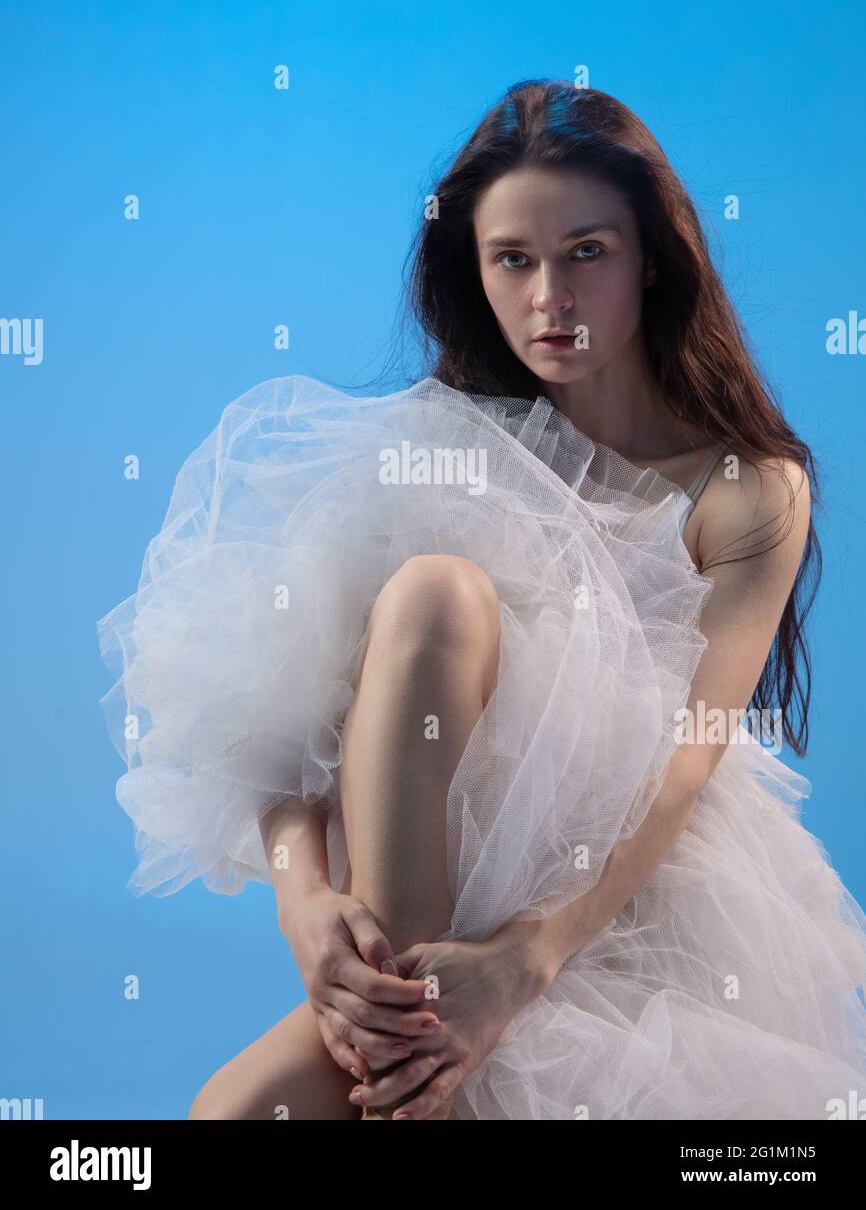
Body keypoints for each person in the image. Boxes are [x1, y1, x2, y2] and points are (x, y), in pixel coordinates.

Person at [97, 80, 866, 1121]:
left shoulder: (740, 490)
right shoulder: (445, 446)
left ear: (652, 259)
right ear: (474, 271)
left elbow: (680, 770)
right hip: (425, 895)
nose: (549, 295)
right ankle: (412, 1060)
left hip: (609, 916)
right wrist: (303, 903)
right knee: (226, 1115)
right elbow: (294, 710)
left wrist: (525, 957)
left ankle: (408, 1074)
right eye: (513, 259)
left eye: (585, 252)